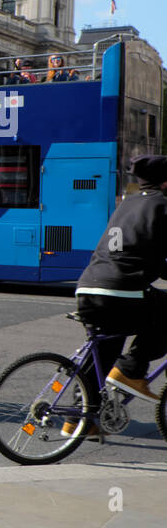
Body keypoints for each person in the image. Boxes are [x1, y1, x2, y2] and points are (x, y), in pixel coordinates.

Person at [72, 155, 167, 429]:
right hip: (121, 290)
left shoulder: (127, 203)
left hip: (88, 287)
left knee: (104, 353)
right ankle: (132, 371)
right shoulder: (162, 206)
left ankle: (79, 421)